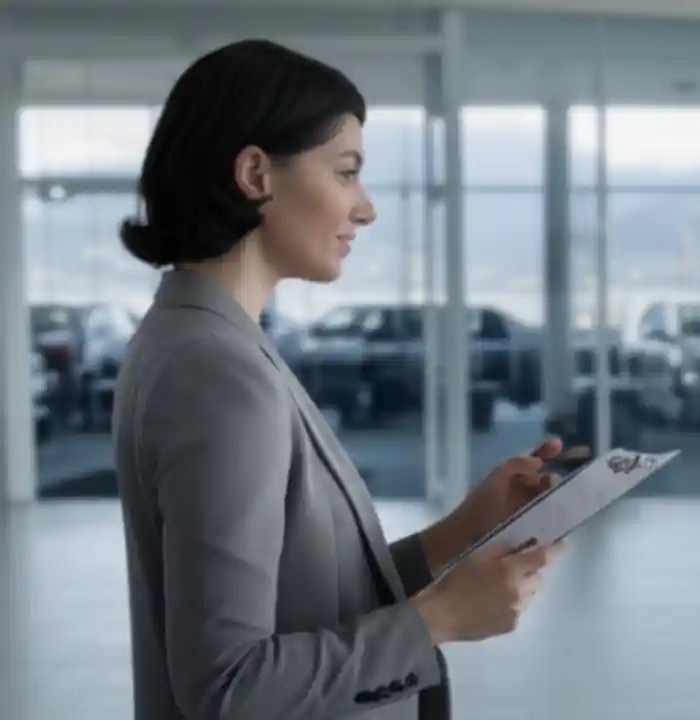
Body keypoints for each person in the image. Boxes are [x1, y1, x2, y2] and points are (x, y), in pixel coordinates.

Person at [111, 39, 571, 720]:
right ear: (255, 174)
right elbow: (228, 688)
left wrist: (463, 530)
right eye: (346, 172)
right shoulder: (215, 371)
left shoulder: (203, 341)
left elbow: (307, 597)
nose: (365, 208)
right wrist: (438, 620)